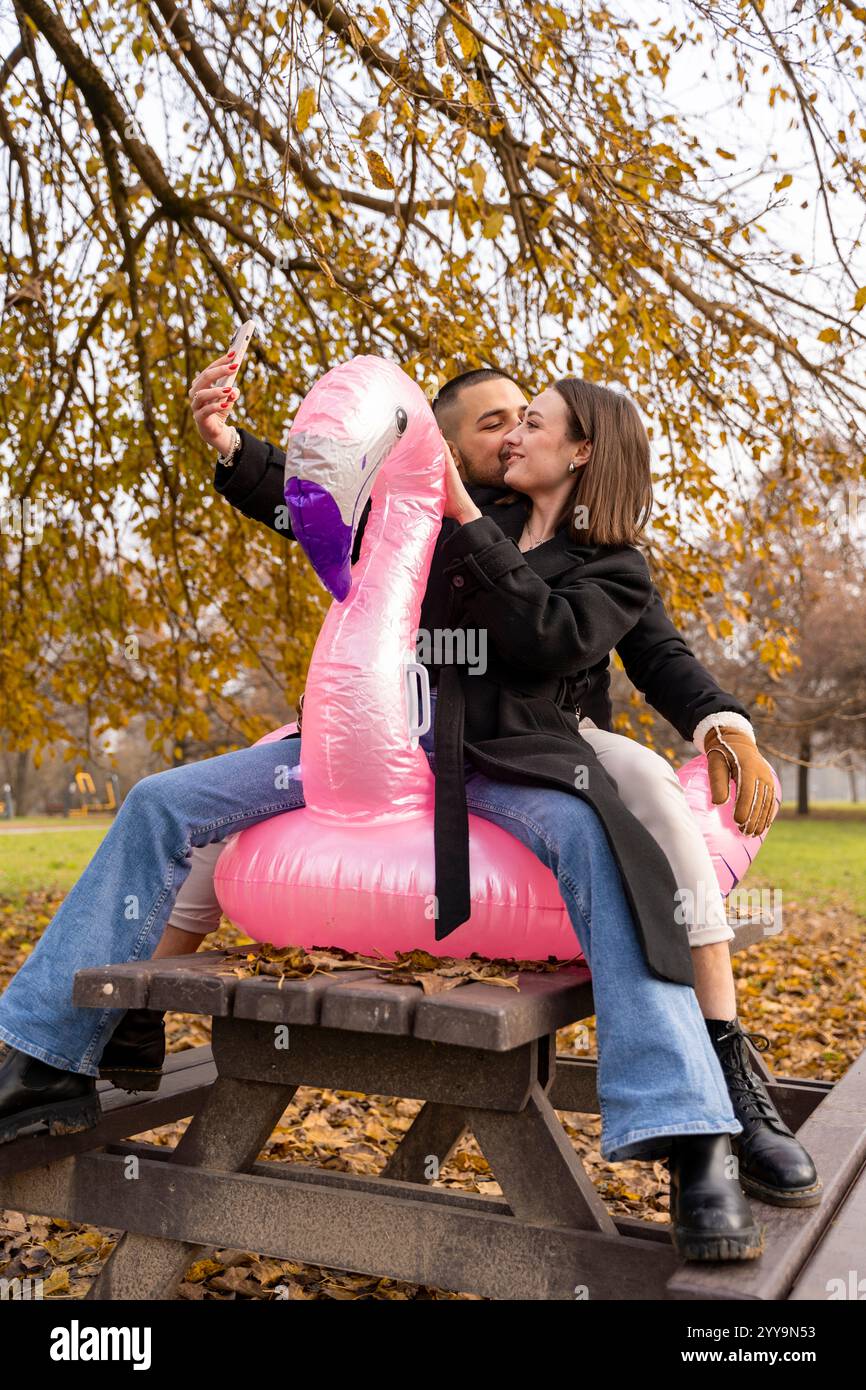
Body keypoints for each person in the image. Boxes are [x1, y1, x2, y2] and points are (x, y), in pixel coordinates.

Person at [126, 358, 818, 1213]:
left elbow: (652, 654)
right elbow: (323, 508)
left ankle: (725, 1062)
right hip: (420, 731)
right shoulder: (449, 513)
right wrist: (234, 449)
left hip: (554, 736)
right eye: (497, 422)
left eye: (528, 420)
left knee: (655, 811)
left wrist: (725, 726)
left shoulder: (607, 557)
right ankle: (139, 1002)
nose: (513, 433)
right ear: (446, 444)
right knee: (228, 787)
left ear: (579, 452)